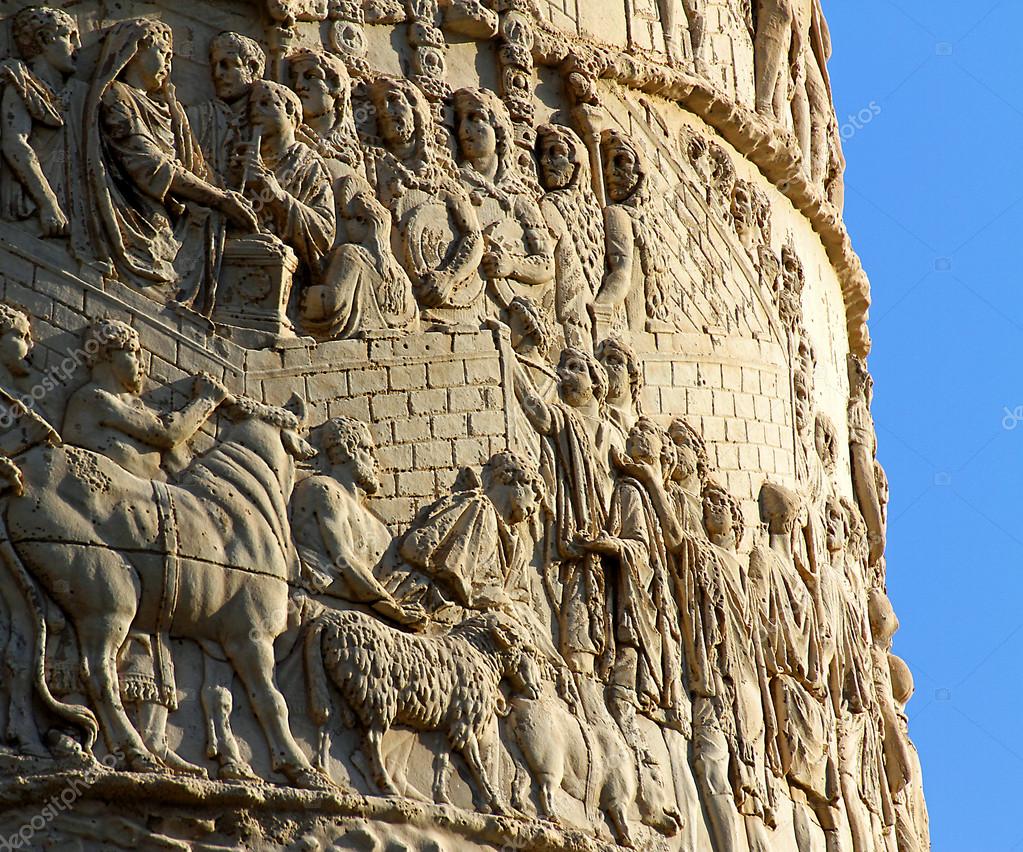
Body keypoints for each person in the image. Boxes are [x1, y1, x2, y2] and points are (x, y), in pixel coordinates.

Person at [61, 318, 231, 775]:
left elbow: (173, 456)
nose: (142, 364)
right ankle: (89, 730)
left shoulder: (124, 405)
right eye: (133, 353)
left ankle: (154, 739)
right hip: (99, 521)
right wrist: (207, 400)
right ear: (105, 355)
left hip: (143, 530)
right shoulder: (94, 398)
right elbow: (167, 433)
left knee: (153, 630)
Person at [85, 19, 258, 297]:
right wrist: (218, 198)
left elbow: (194, 167)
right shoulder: (118, 96)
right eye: (163, 53)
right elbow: (150, 165)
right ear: (136, 50)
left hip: (166, 215)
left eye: (170, 57)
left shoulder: (168, 108)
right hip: (135, 214)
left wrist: (229, 191)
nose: (168, 63)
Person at [367, 76, 484, 327]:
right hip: (389, 296)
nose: (385, 110)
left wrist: (449, 277)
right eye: (379, 105)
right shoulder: (372, 166)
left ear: (416, 111)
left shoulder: (442, 181)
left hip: (446, 301)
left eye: (394, 101)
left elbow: (473, 236)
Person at [290, 416, 421, 624]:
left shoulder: (379, 529)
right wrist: (392, 609)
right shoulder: (324, 490)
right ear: (349, 449)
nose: (375, 461)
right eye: (367, 450)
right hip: (324, 613)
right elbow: (343, 559)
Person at [452, 87, 555, 324]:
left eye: (475, 118)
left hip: (505, 311)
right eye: (460, 120)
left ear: (499, 131)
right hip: (462, 306)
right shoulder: (454, 184)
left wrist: (512, 265)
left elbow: (547, 264)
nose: (464, 129)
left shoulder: (518, 198)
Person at [0, 5, 88, 257]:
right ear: (44, 39)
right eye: (69, 36)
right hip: (34, 212)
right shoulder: (21, 84)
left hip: (74, 211)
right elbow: (15, 143)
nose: (78, 46)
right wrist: (48, 203)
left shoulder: (76, 94)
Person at [234, 79, 335, 283]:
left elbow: (325, 233)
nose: (254, 113)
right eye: (251, 107)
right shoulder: (240, 156)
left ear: (289, 110)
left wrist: (276, 195)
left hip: (282, 272)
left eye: (265, 103)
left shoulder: (309, 165)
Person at [299, 182, 418, 339]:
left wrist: (302, 294)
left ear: (363, 221)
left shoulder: (351, 254)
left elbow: (332, 302)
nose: (346, 225)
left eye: (348, 218)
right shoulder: (401, 274)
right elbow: (412, 318)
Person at [534, 124, 604, 349]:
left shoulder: (551, 205)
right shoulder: (593, 212)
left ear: (577, 162)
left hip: (568, 324)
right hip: (581, 321)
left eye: (556, 153)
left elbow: (543, 258)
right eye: (543, 154)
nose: (545, 161)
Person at [188, 32, 266, 184]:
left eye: (226, 65)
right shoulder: (196, 117)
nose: (217, 74)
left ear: (251, 68)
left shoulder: (269, 121)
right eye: (214, 66)